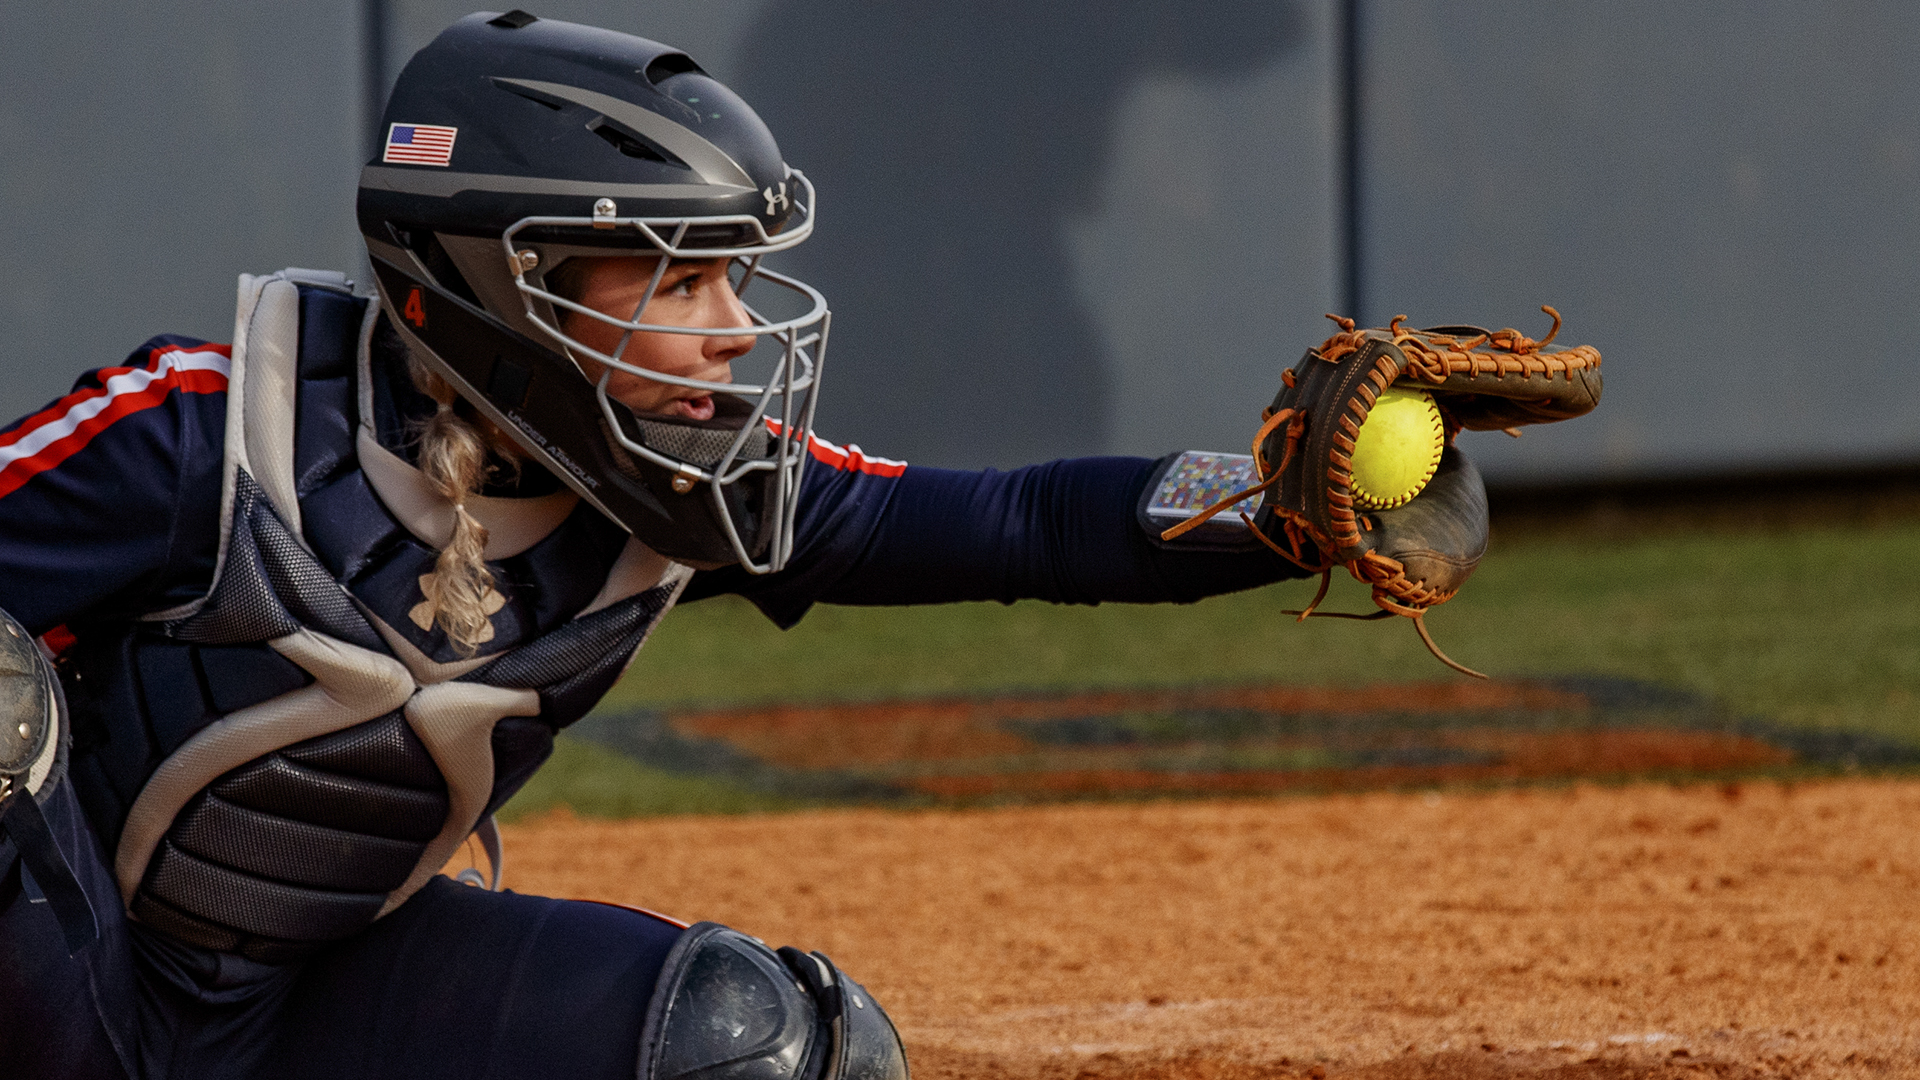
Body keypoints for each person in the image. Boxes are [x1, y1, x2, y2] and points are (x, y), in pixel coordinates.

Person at [0, 11, 1310, 1079]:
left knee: (761, 1047)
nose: (737, 327)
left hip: (313, 1001)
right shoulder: (209, 433)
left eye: (732, 277)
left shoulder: (686, 484)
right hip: (63, 990)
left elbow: (1012, 522)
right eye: (684, 278)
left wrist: (1281, 504)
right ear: (501, 286)